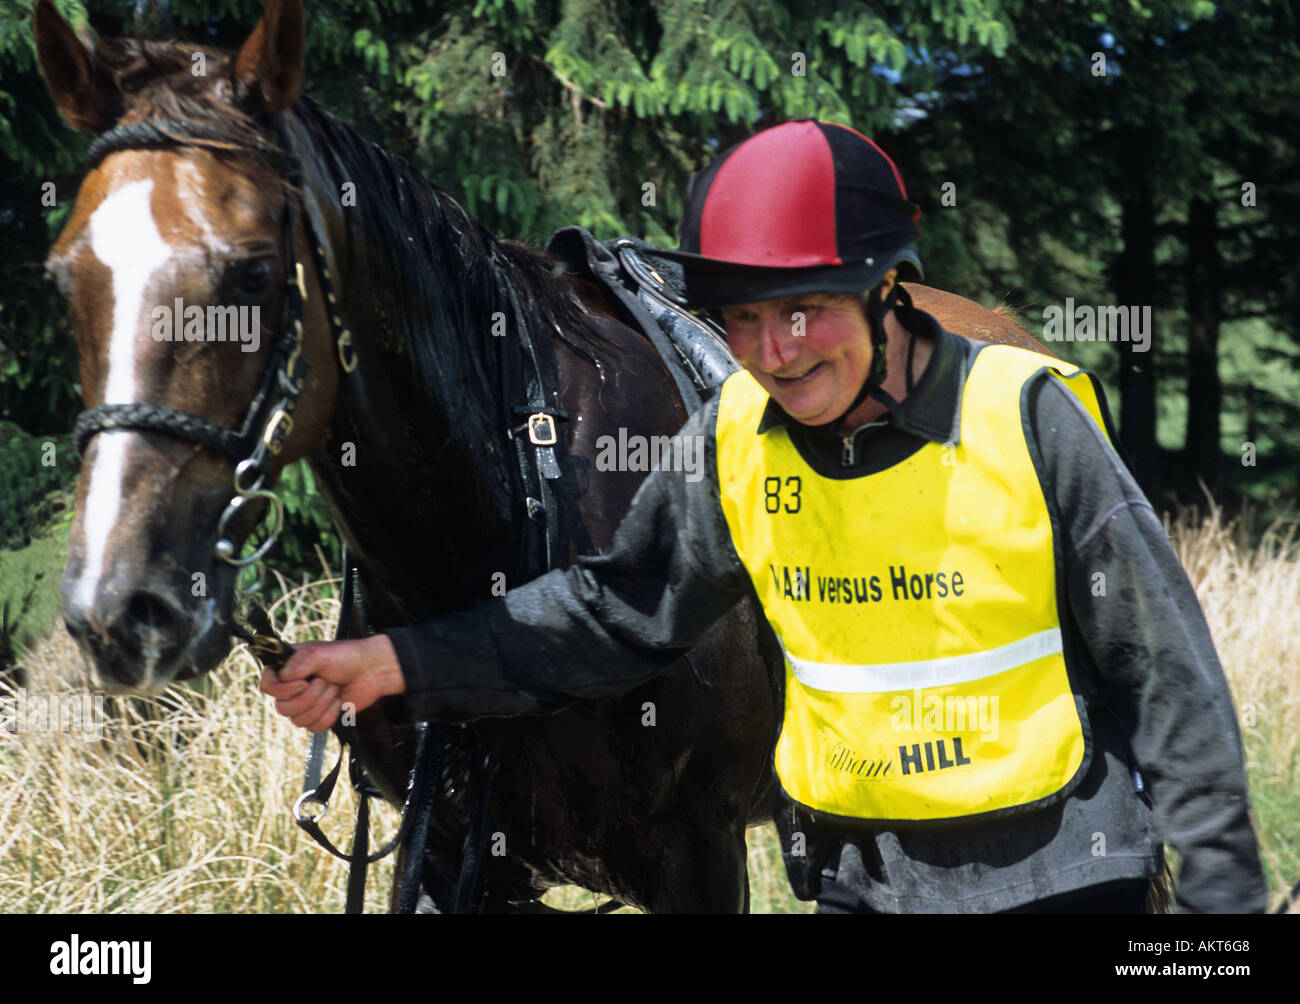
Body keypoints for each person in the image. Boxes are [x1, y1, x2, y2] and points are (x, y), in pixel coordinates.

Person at [259, 119, 1267, 913]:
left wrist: (1221, 906)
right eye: (741, 318)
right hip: (865, 888)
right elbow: (616, 612)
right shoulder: (735, 435)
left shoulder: (1024, 412)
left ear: (884, 287)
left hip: (1063, 880)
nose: (774, 350)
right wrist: (395, 662)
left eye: (803, 309)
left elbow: (1162, 665)